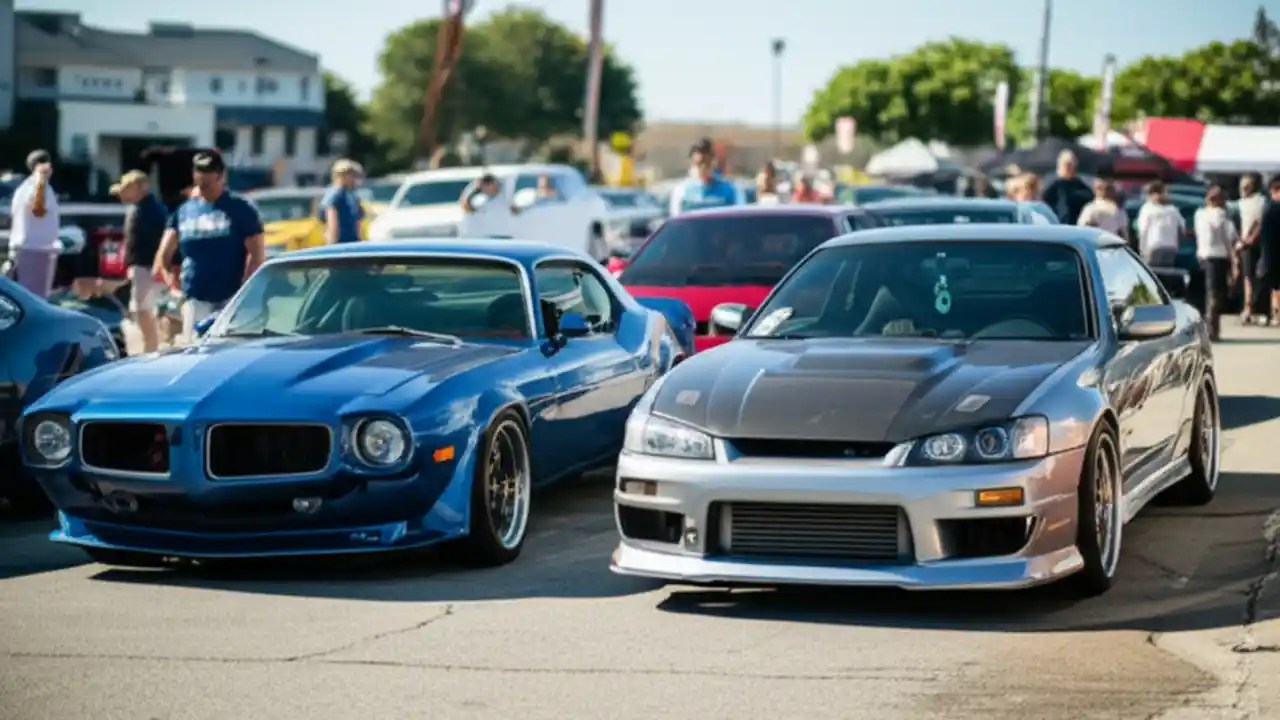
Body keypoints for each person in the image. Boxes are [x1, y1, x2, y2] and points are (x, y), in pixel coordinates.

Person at [152, 150, 265, 344]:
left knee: (230, 349)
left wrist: (245, 289)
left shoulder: (239, 208)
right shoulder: (185, 211)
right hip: (196, 295)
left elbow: (256, 253)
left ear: (222, 177)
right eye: (200, 182)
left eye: (209, 183)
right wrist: (174, 285)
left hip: (231, 296)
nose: (204, 188)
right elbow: (165, 252)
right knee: (196, 348)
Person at [110, 169, 168, 353]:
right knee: (143, 308)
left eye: (128, 188)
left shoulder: (154, 211)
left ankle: (151, 347)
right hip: (141, 265)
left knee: (142, 308)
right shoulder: (138, 209)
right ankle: (153, 344)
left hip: (148, 265)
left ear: (141, 187)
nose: (123, 193)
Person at [8, 149, 60, 297]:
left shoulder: (25, 188)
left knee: (28, 297)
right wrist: (41, 180)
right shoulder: (36, 187)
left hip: (30, 248)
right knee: (35, 299)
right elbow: (38, 210)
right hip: (36, 249)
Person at [1194, 185, 1238, 341]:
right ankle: (1212, 329)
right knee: (1215, 294)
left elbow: (1199, 236)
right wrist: (1234, 262)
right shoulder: (1222, 215)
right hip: (1218, 257)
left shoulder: (1200, 214)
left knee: (1209, 294)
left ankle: (1210, 328)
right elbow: (1230, 239)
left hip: (1203, 256)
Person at [669, 140, 740, 216]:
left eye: (707, 163)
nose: (703, 168)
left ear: (713, 161)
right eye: (699, 164)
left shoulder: (727, 190)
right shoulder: (681, 191)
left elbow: (734, 218)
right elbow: (676, 220)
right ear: (692, 163)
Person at [1236, 172, 1266, 324]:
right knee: (1250, 277)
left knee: (1251, 277)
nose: (1242, 187)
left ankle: (1251, 308)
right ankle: (1249, 308)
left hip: (1252, 244)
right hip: (1250, 244)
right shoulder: (1244, 202)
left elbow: (1258, 223)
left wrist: (1248, 239)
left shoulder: (1257, 202)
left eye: (1245, 184)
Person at [1136, 181, 1184, 267]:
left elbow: (1143, 230)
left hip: (1153, 246)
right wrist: (1177, 245)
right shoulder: (1173, 209)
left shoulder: (1147, 209)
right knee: (1167, 275)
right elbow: (1181, 228)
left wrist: (1142, 249)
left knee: (1152, 274)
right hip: (1170, 246)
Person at [1041, 150, 1093, 224]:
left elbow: (1088, 201)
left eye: (1070, 164)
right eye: (1065, 164)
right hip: (1055, 225)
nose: (1068, 167)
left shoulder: (1081, 187)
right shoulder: (1051, 184)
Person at [319, 159, 364, 244]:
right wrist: (332, 242)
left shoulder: (351, 194)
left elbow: (358, 219)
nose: (355, 179)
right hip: (340, 243)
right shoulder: (336, 194)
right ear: (342, 176)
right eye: (352, 176)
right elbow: (331, 220)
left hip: (352, 240)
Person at [1255, 176, 1280, 326]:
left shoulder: (1268, 207)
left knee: (1272, 285)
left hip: (1270, 252)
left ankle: (1270, 314)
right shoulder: (1271, 207)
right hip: (1271, 252)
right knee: (1273, 285)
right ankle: (1271, 313)